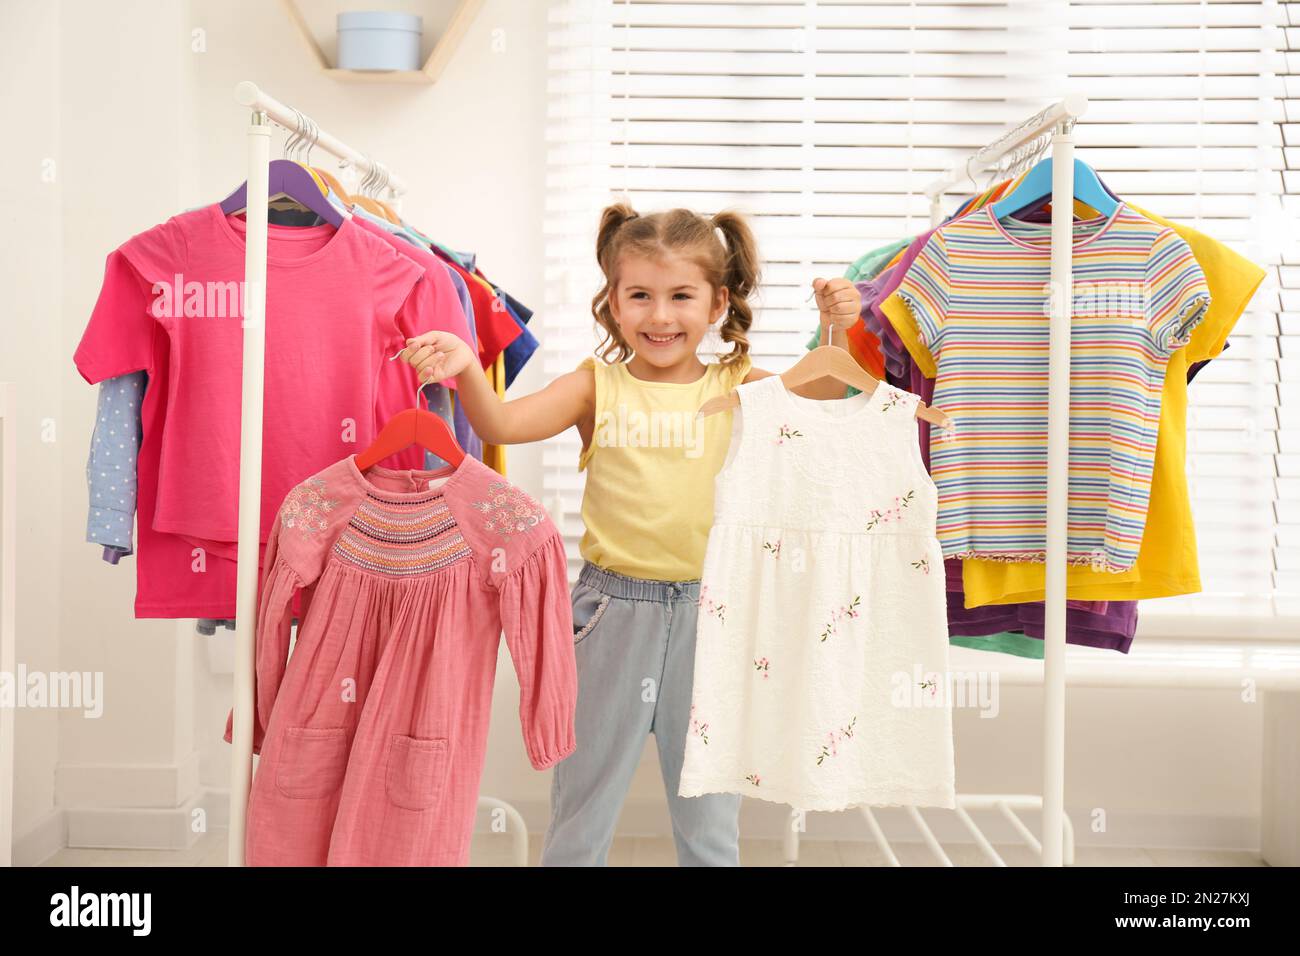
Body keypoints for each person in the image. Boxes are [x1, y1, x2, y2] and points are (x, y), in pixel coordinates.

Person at [400, 203, 861, 865]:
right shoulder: (596, 387)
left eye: (681, 296)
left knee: (708, 823)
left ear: (717, 303)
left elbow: (826, 401)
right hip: (609, 616)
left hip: (714, 617)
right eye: (639, 295)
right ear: (613, 303)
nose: (660, 315)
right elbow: (499, 423)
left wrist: (834, 331)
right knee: (583, 813)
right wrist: (464, 365)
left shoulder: (742, 386)